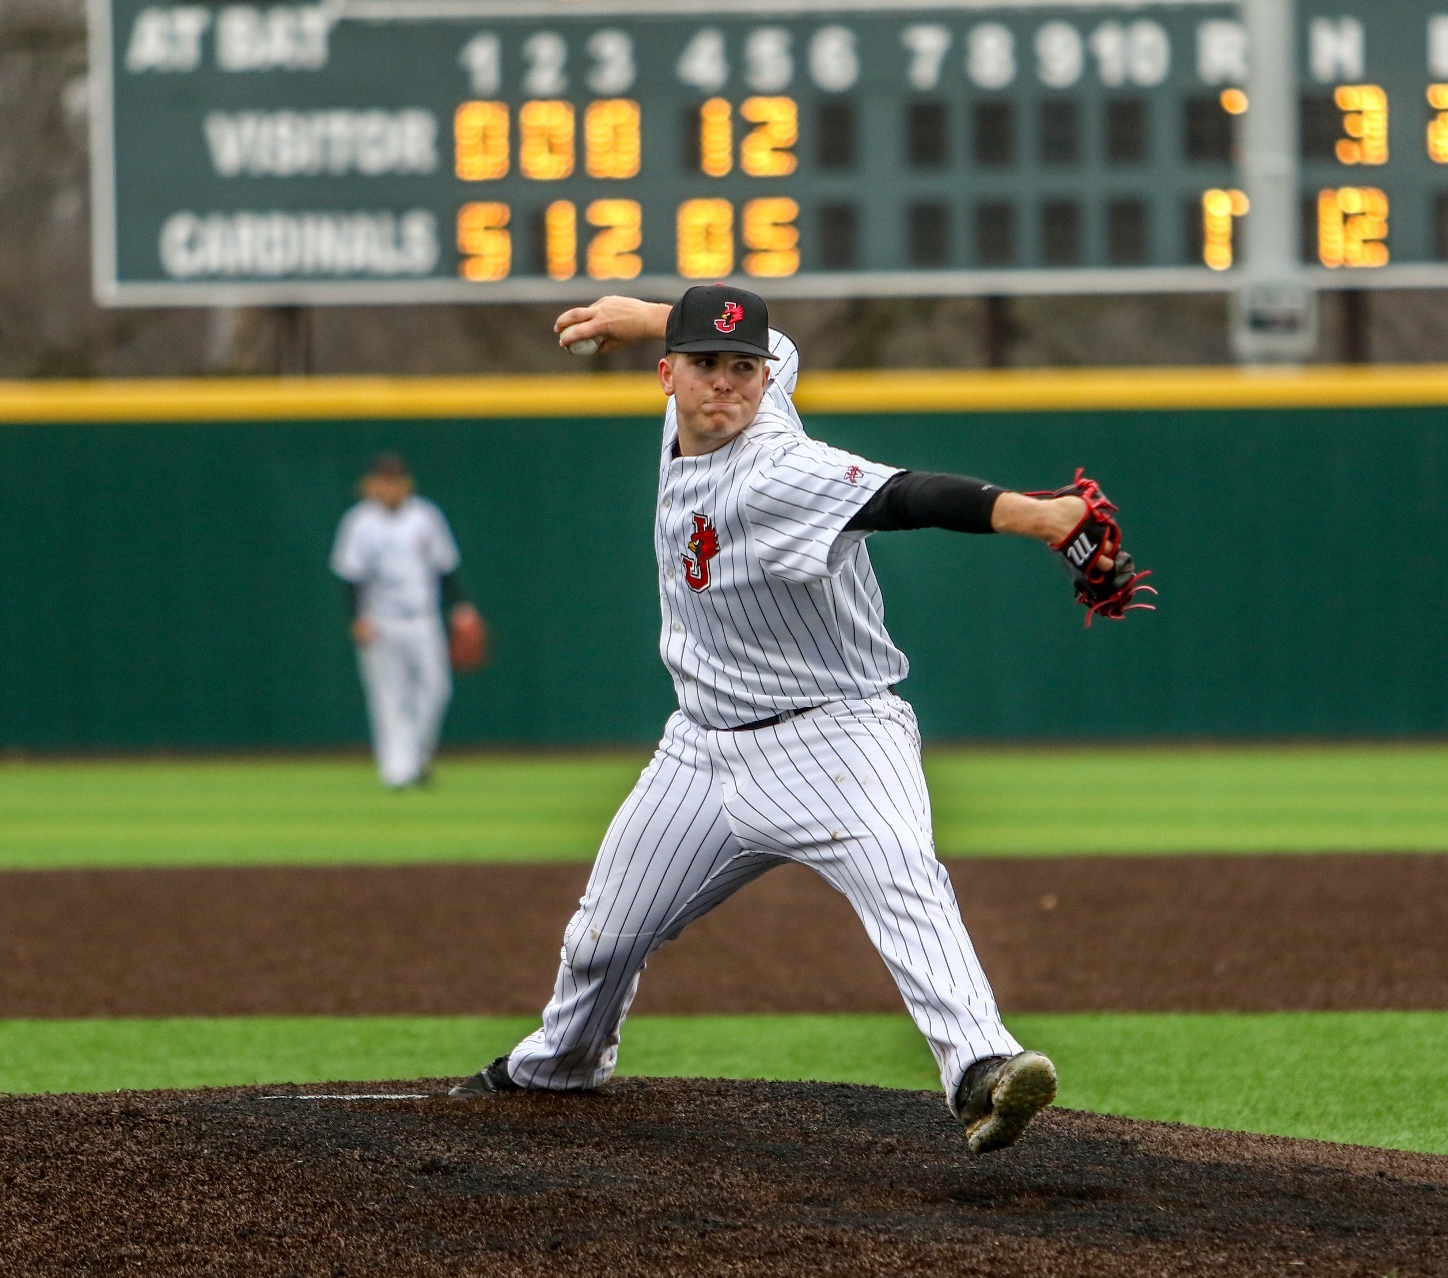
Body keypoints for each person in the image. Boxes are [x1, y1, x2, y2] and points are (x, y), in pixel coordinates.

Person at [451, 286, 1145, 1155]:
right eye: (706, 363)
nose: (730, 384)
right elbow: (768, 335)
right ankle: (560, 1063)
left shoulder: (777, 466)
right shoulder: (728, 393)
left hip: (837, 738)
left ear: (760, 381)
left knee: (904, 883)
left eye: (744, 370)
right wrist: (646, 315)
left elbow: (910, 496)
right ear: (666, 374)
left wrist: (1039, 516)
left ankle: (983, 1067)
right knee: (601, 936)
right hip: (701, 750)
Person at [329, 453, 479, 790]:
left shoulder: (425, 517)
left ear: (406, 482)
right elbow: (349, 577)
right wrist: (356, 618)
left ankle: (417, 755)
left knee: (437, 690)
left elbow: (445, 568)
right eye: (382, 479)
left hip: (423, 619)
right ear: (370, 484)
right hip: (381, 621)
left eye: (394, 479)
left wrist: (462, 607)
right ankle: (398, 771)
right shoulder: (359, 522)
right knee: (389, 698)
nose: (388, 486)